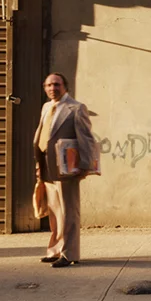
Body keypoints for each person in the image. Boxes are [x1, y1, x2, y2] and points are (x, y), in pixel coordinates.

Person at [33, 72, 98, 267]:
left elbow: (86, 139)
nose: (53, 88)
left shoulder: (76, 108)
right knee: (54, 210)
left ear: (65, 86)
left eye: (57, 85)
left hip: (66, 167)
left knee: (69, 211)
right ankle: (55, 250)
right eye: (49, 85)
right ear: (45, 88)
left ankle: (70, 254)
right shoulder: (46, 107)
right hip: (47, 165)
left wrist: (85, 165)